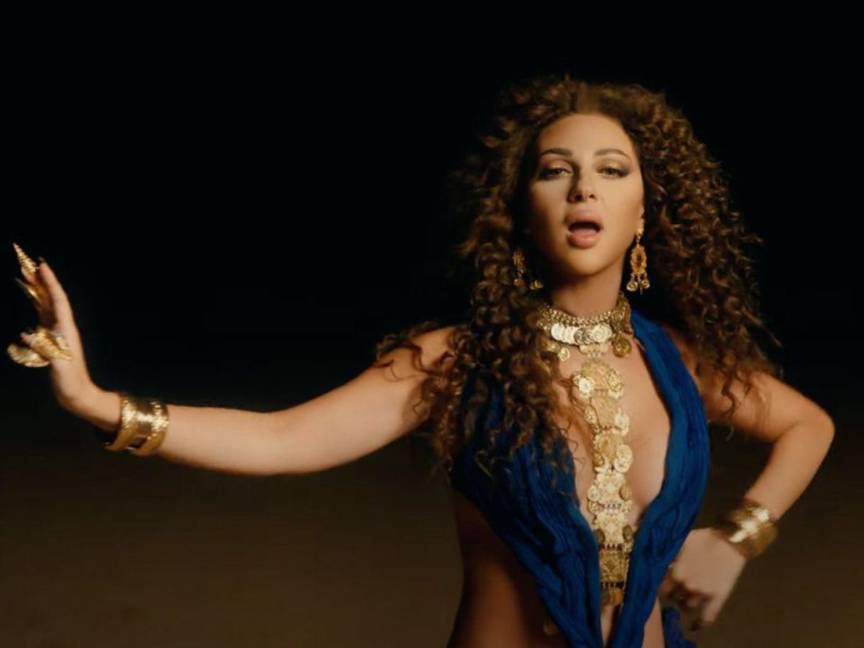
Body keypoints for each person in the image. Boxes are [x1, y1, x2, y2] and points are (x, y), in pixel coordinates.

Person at [9, 72, 836, 648]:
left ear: (643, 212)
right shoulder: (460, 361)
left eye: (611, 171)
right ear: (523, 211)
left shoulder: (677, 363)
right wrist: (97, 403)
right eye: (555, 172)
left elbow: (809, 425)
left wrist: (737, 538)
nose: (584, 188)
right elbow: (281, 440)